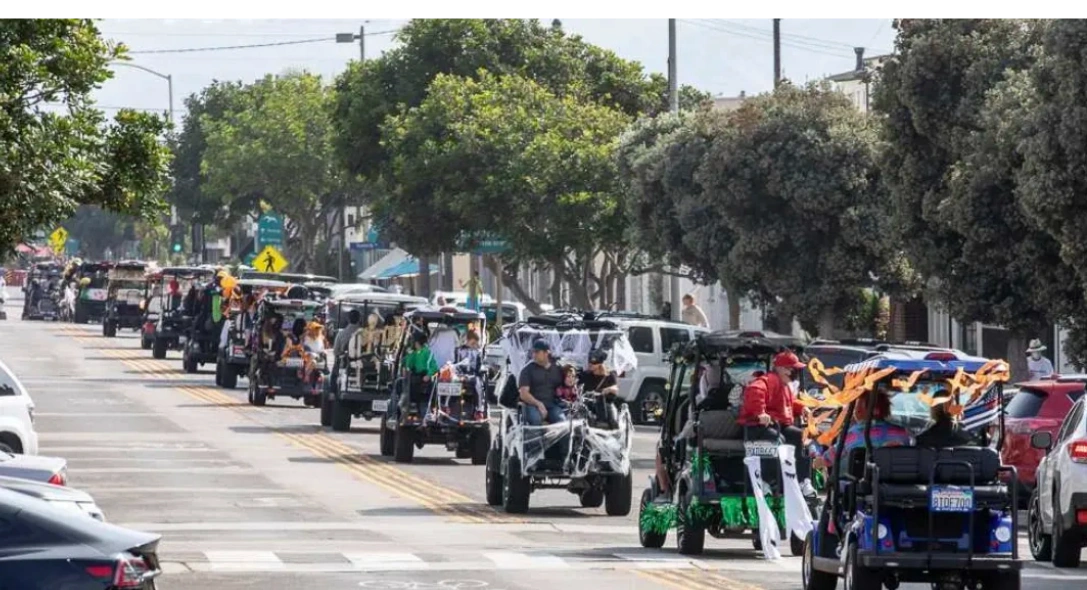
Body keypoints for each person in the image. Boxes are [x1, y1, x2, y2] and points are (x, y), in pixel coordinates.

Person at [739, 350, 816, 495]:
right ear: (780, 368)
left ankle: (802, 481)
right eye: (790, 369)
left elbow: (790, 403)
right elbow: (755, 391)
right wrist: (760, 412)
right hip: (756, 427)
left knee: (801, 436)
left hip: (778, 426)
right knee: (776, 440)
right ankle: (764, 480)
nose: (793, 373)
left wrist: (802, 408)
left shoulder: (784, 385)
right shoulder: (769, 380)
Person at [818, 386, 912, 468]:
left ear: (875, 410)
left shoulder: (853, 434)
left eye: (858, 408)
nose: (856, 412)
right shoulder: (902, 433)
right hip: (898, 482)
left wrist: (817, 460)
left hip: (861, 486)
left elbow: (829, 459)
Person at [518, 339, 567, 425]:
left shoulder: (557, 368)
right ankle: (535, 439)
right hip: (532, 405)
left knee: (562, 421)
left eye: (537, 352)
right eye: (533, 352)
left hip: (552, 405)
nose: (534, 355)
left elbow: (565, 385)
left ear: (546, 353)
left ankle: (558, 438)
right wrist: (538, 404)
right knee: (536, 419)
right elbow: (523, 394)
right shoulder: (527, 370)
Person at [401, 331, 439, 414]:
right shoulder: (413, 352)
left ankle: (429, 406)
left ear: (417, 342)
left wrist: (428, 375)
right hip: (414, 374)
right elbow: (408, 365)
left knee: (423, 384)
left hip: (424, 375)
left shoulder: (427, 352)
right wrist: (410, 355)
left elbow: (434, 367)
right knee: (408, 382)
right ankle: (410, 404)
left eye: (412, 341)